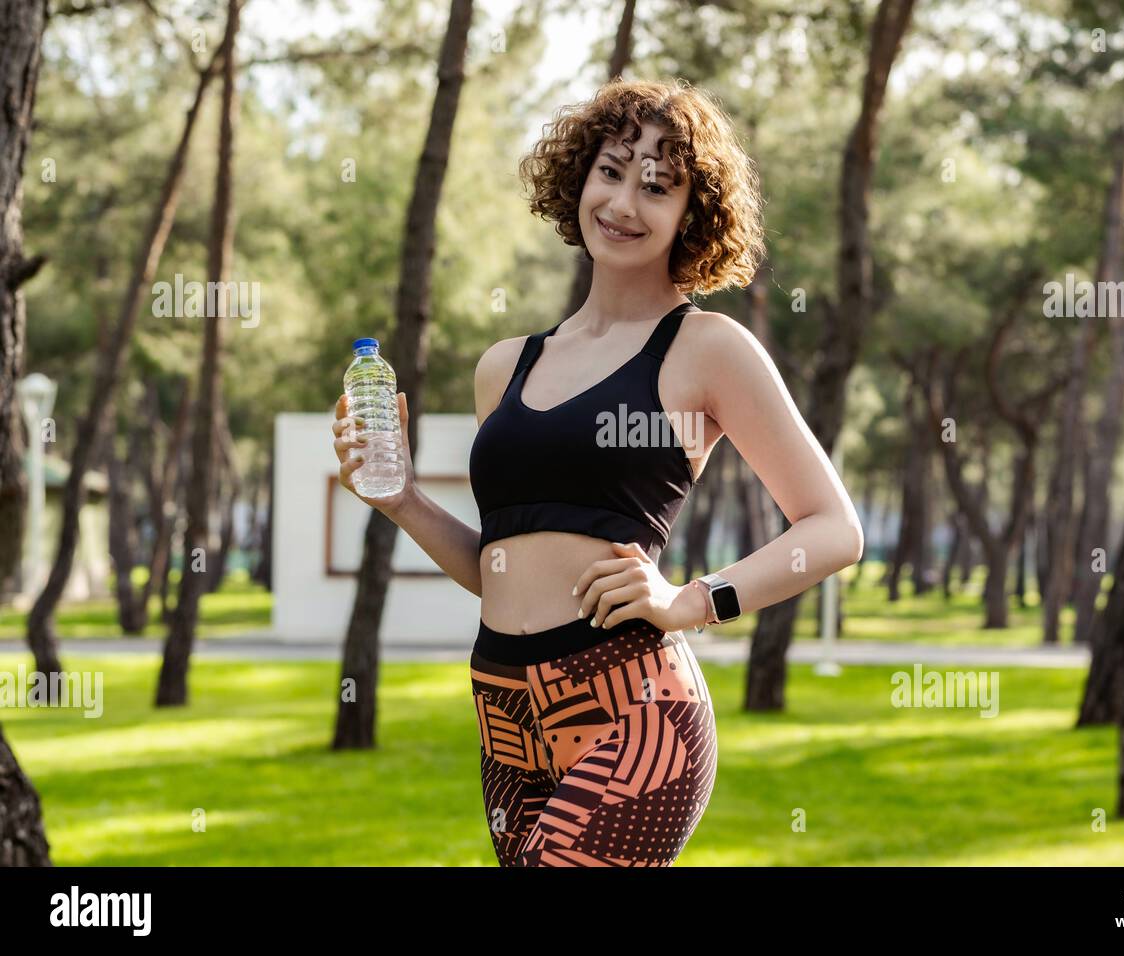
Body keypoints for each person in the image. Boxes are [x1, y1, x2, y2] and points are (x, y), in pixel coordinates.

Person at [331, 78, 864, 866]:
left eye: (658, 186)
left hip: (633, 711)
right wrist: (403, 500)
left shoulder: (707, 349)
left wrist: (692, 600)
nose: (623, 201)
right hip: (504, 718)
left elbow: (834, 529)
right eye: (611, 170)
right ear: (579, 177)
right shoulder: (504, 366)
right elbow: (502, 568)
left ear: (693, 215)